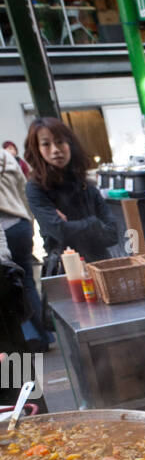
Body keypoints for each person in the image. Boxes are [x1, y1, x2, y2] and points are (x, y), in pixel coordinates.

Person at [24, 117, 119, 275]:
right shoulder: (35, 188)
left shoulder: (86, 185)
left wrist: (73, 227)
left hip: (102, 266)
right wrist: (94, 223)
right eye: (46, 144)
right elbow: (59, 231)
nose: (55, 150)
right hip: (66, 270)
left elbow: (113, 234)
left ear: (70, 144)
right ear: (37, 149)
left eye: (60, 141)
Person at [0, 145, 51, 347]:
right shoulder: (7, 156)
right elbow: (24, 190)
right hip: (21, 225)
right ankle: (44, 336)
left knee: (9, 290)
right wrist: (29, 221)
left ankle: (32, 338)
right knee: (27, 282)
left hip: (4, 230)